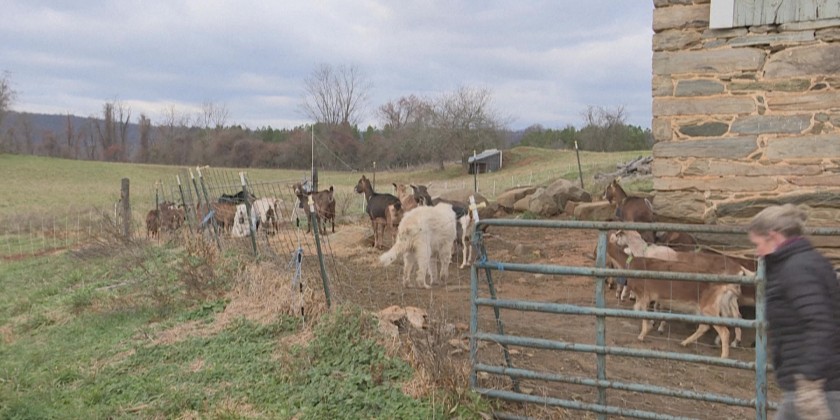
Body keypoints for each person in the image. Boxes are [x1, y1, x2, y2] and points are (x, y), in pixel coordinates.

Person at [748, 204, 840, 419]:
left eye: (758, 243)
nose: (757, 251)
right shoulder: (801, 263)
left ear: (773, 237)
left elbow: (820, 323)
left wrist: (808, 378)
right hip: (810, 381)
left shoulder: (797, 268)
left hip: (819, 386)